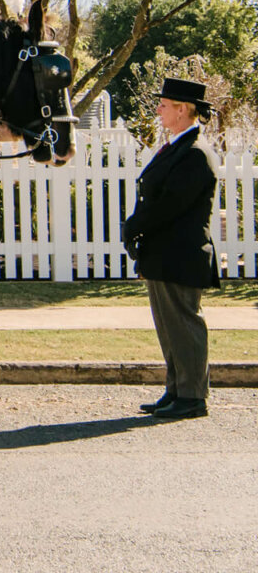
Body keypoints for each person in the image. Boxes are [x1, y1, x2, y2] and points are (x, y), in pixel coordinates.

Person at [123, 77, 220, 421]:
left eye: (164, 105)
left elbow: (171, 204)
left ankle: (193, 396)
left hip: (180, 254)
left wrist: (134, 225)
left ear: (183, 109)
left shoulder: (194, 153)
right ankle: (177, 388)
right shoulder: (178, 146)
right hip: (164, 253)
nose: (159, 110)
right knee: (169, 327)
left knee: (183, 324)